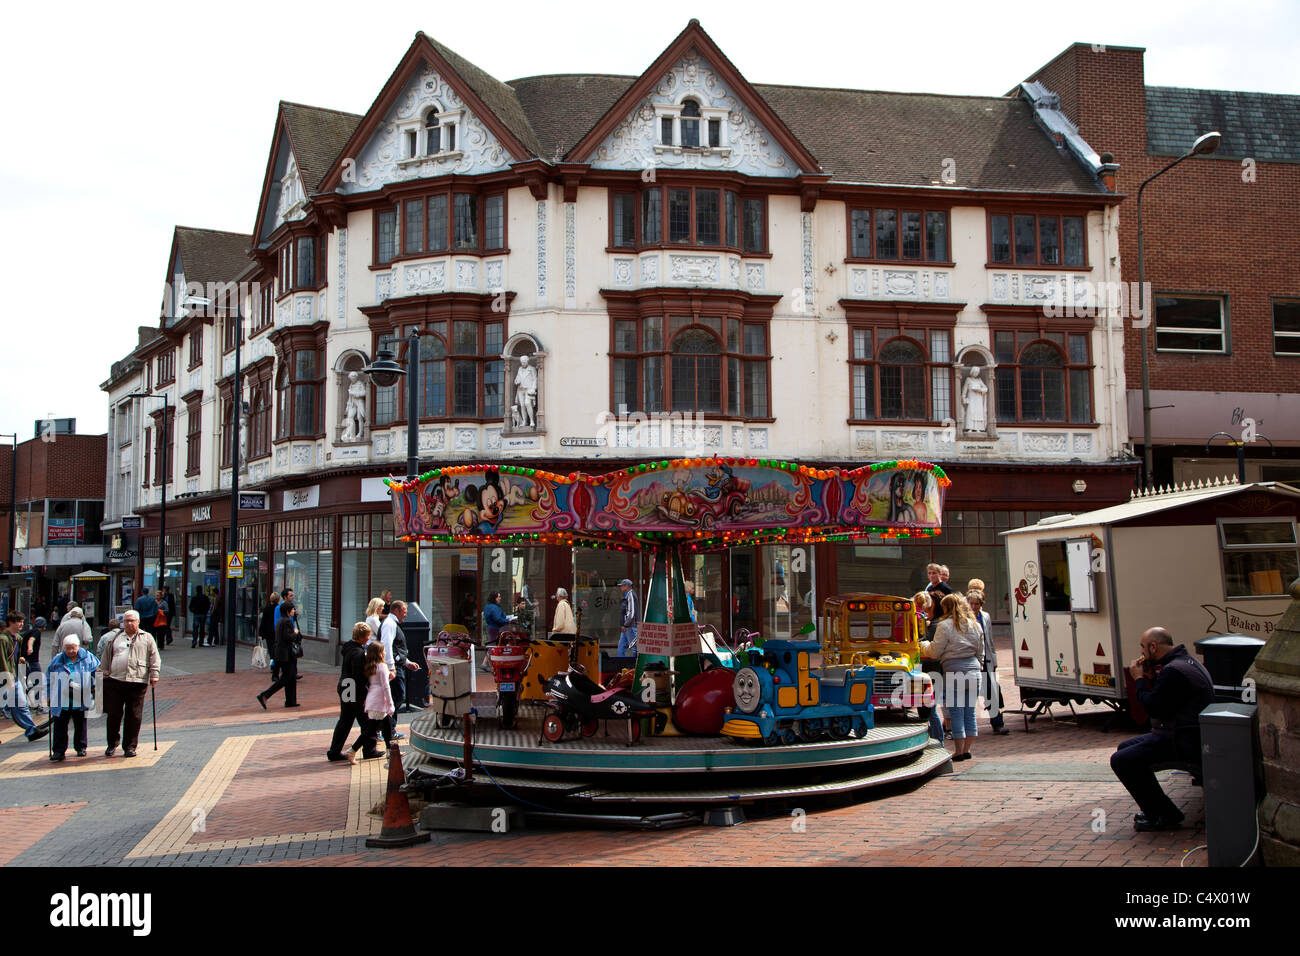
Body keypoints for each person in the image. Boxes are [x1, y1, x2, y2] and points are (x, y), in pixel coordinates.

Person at [1110, 627, 1214, 832]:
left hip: (1182, 739)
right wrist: (1151, 677)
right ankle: (1157, 809)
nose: (1141, 652)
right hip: (1187, 733)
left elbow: (1152, 707)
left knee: (1122, 760)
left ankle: (1164, 815)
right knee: (1124, 748)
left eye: (1142, 647)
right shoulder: (1184, 662)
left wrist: (1139, 679)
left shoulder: (1173, 671)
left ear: (1153, 646)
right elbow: (1169, 700)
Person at [921, 593, 984, 761]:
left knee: (956, 712)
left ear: (946, 608)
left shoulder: (945, 625)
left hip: (954, 669)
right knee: (970, 712)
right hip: (974, 670)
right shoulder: (974, 625)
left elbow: (935, 651)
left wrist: (924, 645)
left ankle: (958, 750)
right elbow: (980, 652)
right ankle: (967, 749)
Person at [100, 609, 161, 758]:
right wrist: (104, 672)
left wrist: (154, 674)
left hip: (137, 681)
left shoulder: (147, 638)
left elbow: (155, 657)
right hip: (115, 680)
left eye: (132, 620)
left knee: (134, 715)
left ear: (138, 622)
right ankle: (112, 743)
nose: (129, 623)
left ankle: (130, 746)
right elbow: (106, 656)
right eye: (126, 621)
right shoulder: (115, 638)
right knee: (114, 714)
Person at [326, 622, 382, 763]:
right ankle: (369, 749)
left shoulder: (348, 647)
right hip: (354, 688)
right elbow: (359, 676)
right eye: (368, 636)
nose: (369, 638)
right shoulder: (359, 653)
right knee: (366, 719)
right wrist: (367, 691)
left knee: (345, 720)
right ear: (363, 637)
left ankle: (334, 751)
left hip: (345, 685)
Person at [46, 634, 99, 760]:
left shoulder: (88, 657)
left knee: (80, 723)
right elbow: (48, 678)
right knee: (60, 725)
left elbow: (97, 672)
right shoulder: (58, 659)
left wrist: (96, 690)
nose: (70, 651)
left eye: (73, 648)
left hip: (80, 696)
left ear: (78, 646)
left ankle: (81, 747)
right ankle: (59, 751)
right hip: (62, 698)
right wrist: (48, 695)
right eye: (67, 648)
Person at [1, 612, 48, 743]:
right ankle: (31, 730)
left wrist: (21, 658)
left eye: (22, 621)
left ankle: (31, 730)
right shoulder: (3, 639)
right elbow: (3, 660)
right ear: (11, 622)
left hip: (13, 678)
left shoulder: (17, 638)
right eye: (19, 622)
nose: (21, 624)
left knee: (21, 705)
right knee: (13, 705)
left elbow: (16, 656)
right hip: (6, 678)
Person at [968, 590, 1009, 735]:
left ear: (981, 604)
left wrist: (994, 659)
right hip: (970, 661)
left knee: (991, 691)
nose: (973, 607)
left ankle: (997, 723)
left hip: (986, 660)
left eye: (977, 604)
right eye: (971, 603)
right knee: (968, 694)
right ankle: (968, 726)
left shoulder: (985, 616)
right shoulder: (963, 618)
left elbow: (989, 640)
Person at [352, 641, 395, 763]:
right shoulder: (382, 666)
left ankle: (391, 751)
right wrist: (390, 705)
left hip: (372, 699)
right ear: (380, 653)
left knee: (387, 725)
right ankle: (352, 750)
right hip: (379, 702)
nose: (385, 652)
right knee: (371, 730)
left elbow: (377, 682)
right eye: (383, 651)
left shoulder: (371, 666)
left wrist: (388, 677)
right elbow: (385, 687)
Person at [383, 601, 422, 731]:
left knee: (396, 696)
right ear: (396, 611)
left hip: (397, 666)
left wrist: (407, 662)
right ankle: (387, 728)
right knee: (398, 696)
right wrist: (391, 667)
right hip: (394, 668)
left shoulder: (393, 624)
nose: (405, 615)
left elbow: (396, 648)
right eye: (404, 612)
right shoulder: (389, 624)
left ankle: (388, 728)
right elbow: (386, 646)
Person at [257, 600, 301, 709]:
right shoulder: (286, 622)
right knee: (286, 678)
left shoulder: (282, 620)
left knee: (290, 677)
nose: (294, 611)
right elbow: (287, 637)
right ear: (287, 611)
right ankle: (265, 695)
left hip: (281, 653)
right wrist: (295, 633)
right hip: (284, 654)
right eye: (292, 609)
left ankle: (290, 701)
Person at [912, 591, 943, 741]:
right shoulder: (926, 622)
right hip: (924, 668)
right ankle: (935, 739)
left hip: (924, 668)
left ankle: (937, 739)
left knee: (928, 708)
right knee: (927, 708)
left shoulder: (934, 625)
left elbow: (930, 648)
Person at [259, 592, 281, 682]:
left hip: (269, 632)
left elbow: (263, 621)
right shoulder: (279, 608)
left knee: (271, 649)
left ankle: (273, 664)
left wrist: (260, 633)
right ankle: (276, 664)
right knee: (277, 648)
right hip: (277, 632)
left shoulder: (267, 609)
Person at [618, 578, 639, 657]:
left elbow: (631, 612)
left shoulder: (630, 594)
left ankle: (635, 666)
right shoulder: (628, 595)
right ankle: (620, 664)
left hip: (630, 626)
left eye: (622, 586)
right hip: (628, 626)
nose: (621, 587)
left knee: (633, 647)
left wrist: (626, 625)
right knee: (622, 645)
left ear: (627, 586)